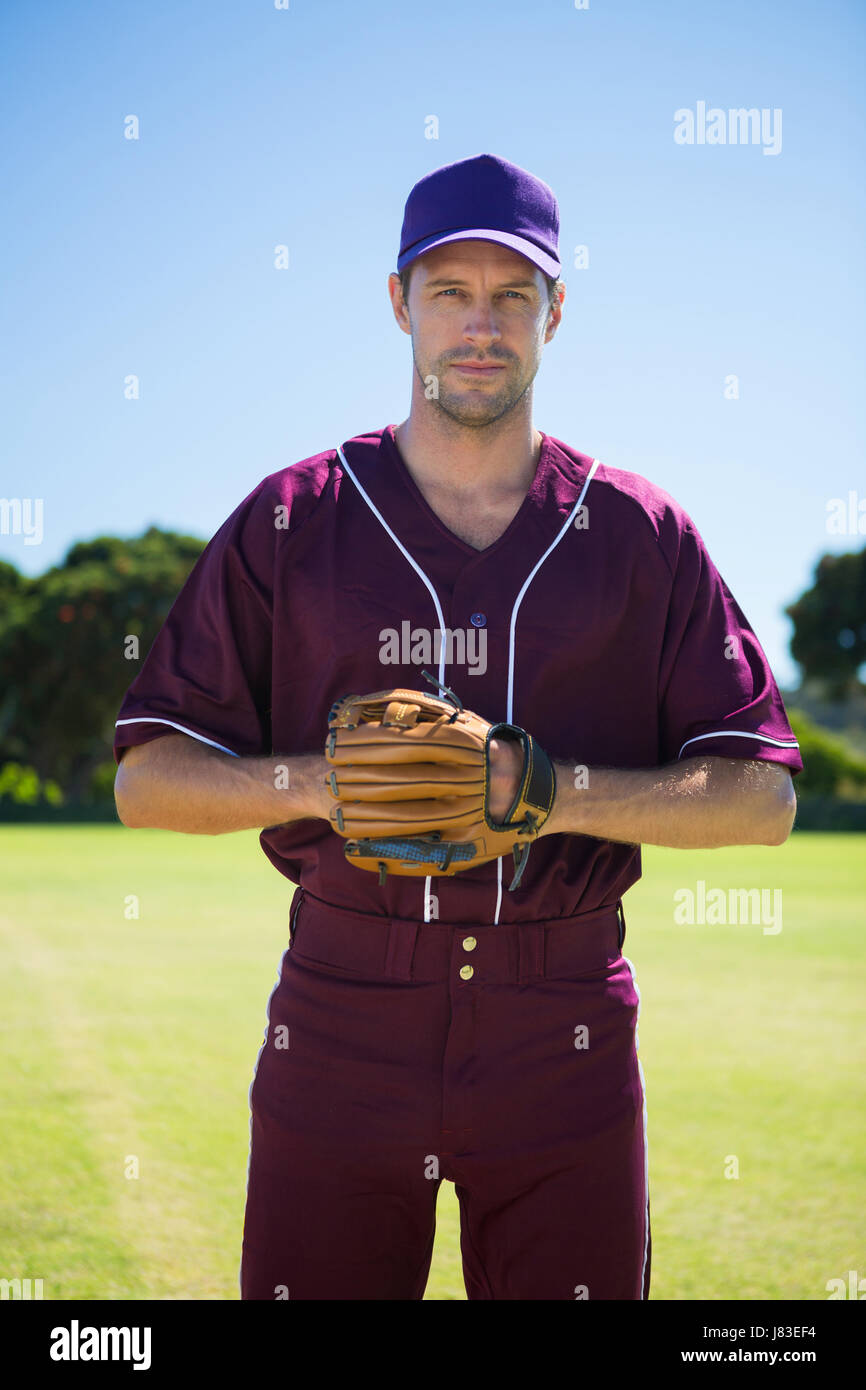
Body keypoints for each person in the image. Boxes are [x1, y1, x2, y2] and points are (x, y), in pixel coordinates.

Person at [113, 153, 803, 1300]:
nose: (478, 327)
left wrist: (549, 790)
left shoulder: (638, 532)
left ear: (555, 311)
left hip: (563, 1022)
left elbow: (763, 797)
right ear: (398, 302)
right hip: (339, 1011)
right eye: (448, 292)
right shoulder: (294, 518)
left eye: (511, 295)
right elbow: (147, 777)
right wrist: (325, 784)